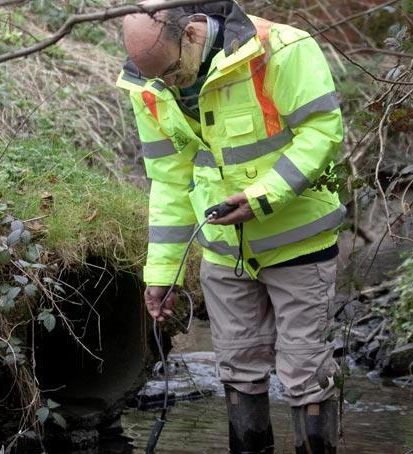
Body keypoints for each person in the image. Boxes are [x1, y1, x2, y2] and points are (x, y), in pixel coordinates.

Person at [118, 1, 344, 452]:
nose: (165, 83)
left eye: (169, 71)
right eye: (154, 76)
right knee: (238, 370)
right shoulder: (148, 85)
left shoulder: (281, 48)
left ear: (190, 34)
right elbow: (169, 181)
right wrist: (163, 275)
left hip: (299, 243)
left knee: (305, 375)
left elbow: (322, 132)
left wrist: (262, 198)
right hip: (224, 254)